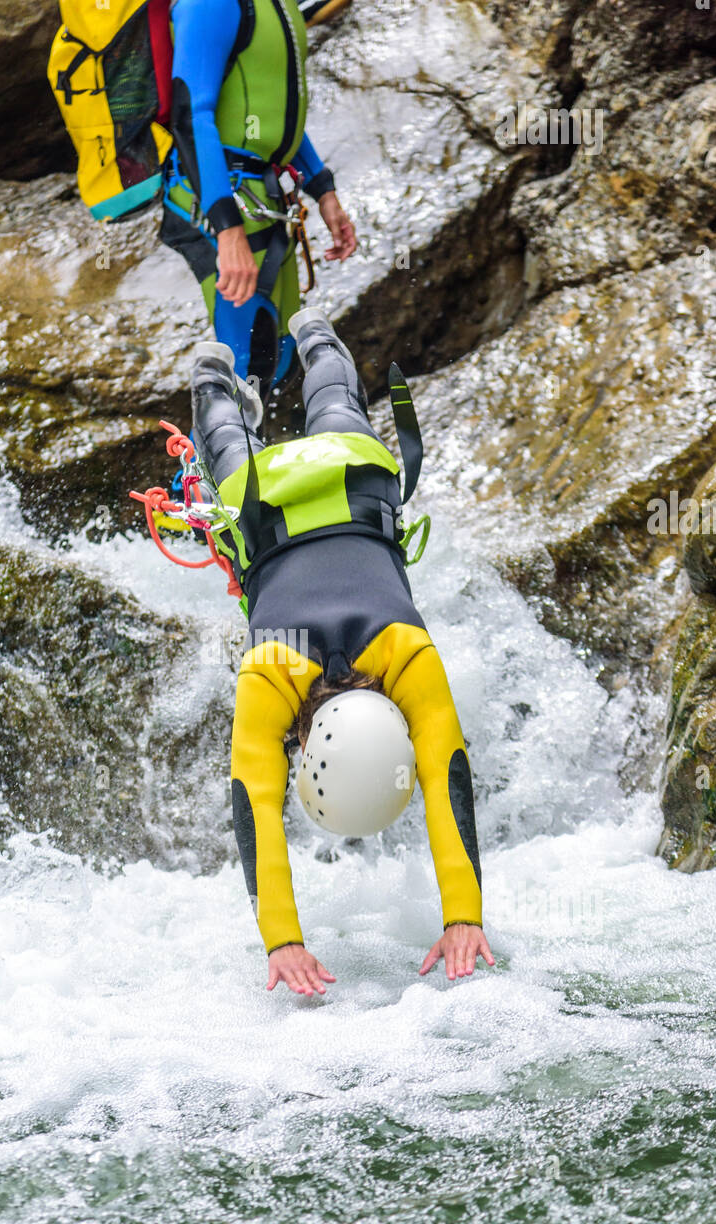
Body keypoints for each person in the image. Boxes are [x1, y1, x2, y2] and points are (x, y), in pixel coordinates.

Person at [188, 308, 495, 995]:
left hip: (357, 480)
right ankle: (210, 370)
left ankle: (316, 334)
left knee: (335, 402)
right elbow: (255, 805)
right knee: (223, 436)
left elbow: (447, 782)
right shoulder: (275, 664)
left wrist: (464, 917)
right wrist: (284, 942)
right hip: (263, 505)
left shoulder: (404, 653)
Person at [162, 0, 357, 397]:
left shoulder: (279, 7)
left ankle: (256, 453)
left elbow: (275, 110)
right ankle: (208, 458)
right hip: (220, 201)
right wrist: (227, 229)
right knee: (243, 365)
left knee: (279, 358)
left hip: (265, 199)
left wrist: (323, 190)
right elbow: (190, 115)